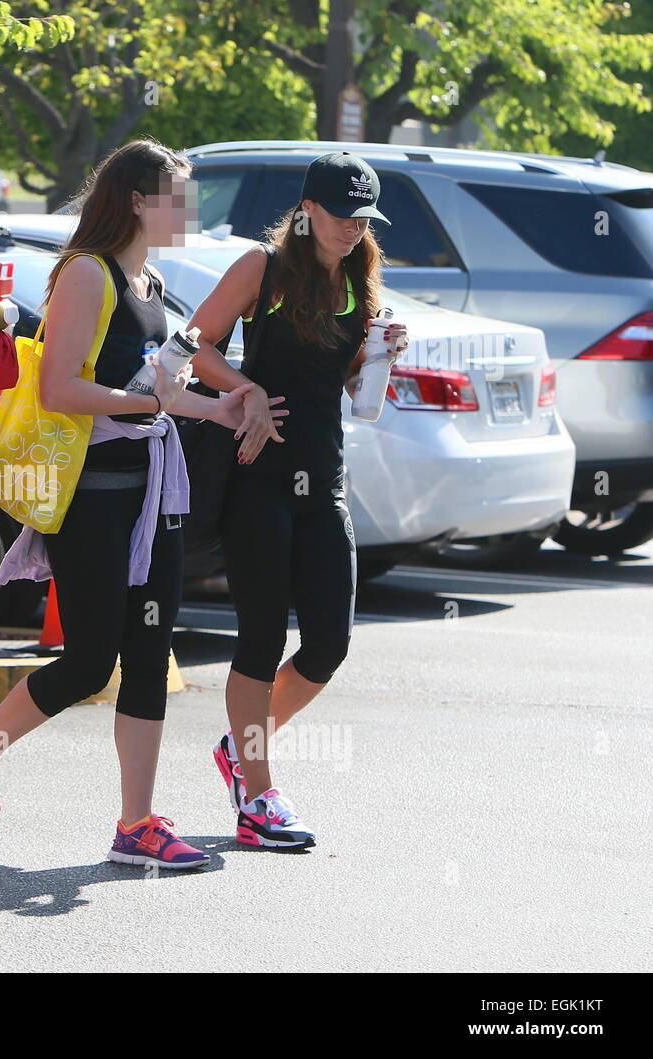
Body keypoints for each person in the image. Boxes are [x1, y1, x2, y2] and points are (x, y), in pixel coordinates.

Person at [0, 140, 286, 869]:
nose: (190, 208)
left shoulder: (150, 282)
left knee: (149, 656)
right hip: (94, 497)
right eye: (179, 195)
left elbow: (156, 388)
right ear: (136, 199)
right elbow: (62, 387)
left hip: (152, 496)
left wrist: (222, 407)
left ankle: (137, 822)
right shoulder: (87, 276)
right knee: (90, 662)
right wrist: (146, 400)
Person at [186, 151, 409, 849]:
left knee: (329, 644)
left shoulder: (358, 275)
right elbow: (194, 344)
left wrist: (377, 356)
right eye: (343, 217)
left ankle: (240, 749)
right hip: (259, 480)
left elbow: (341, 385)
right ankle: (258, 793)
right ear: (308, 211)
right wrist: (243, 388)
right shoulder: (264, 268)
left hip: (324, 484)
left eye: (364, 218)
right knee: (259, 639)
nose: (354, 229)